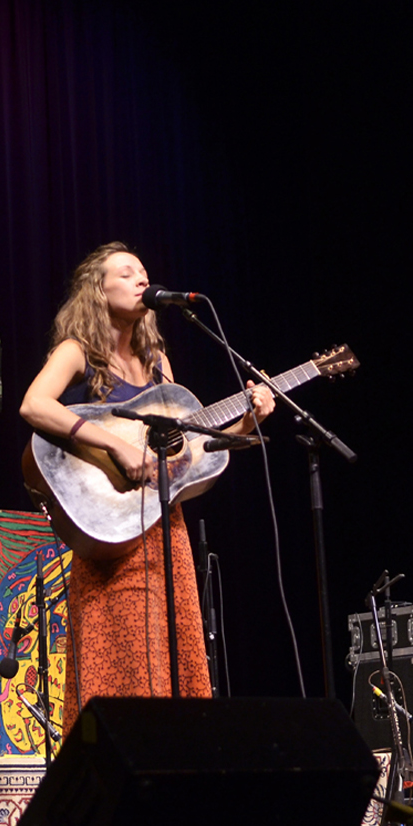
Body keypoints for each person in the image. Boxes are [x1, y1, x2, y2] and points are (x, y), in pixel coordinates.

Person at [20, 242, 273, 732]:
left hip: (164, 531)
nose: (142, 280)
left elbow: (188, 455)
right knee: (121, 658)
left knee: (172, 655)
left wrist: (244, 423)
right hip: (110, 535)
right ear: (98, 289)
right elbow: (34, 406)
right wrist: (113, 446)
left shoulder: (157, 362)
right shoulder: (77, 352)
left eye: (144, 272)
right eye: (127, 273)